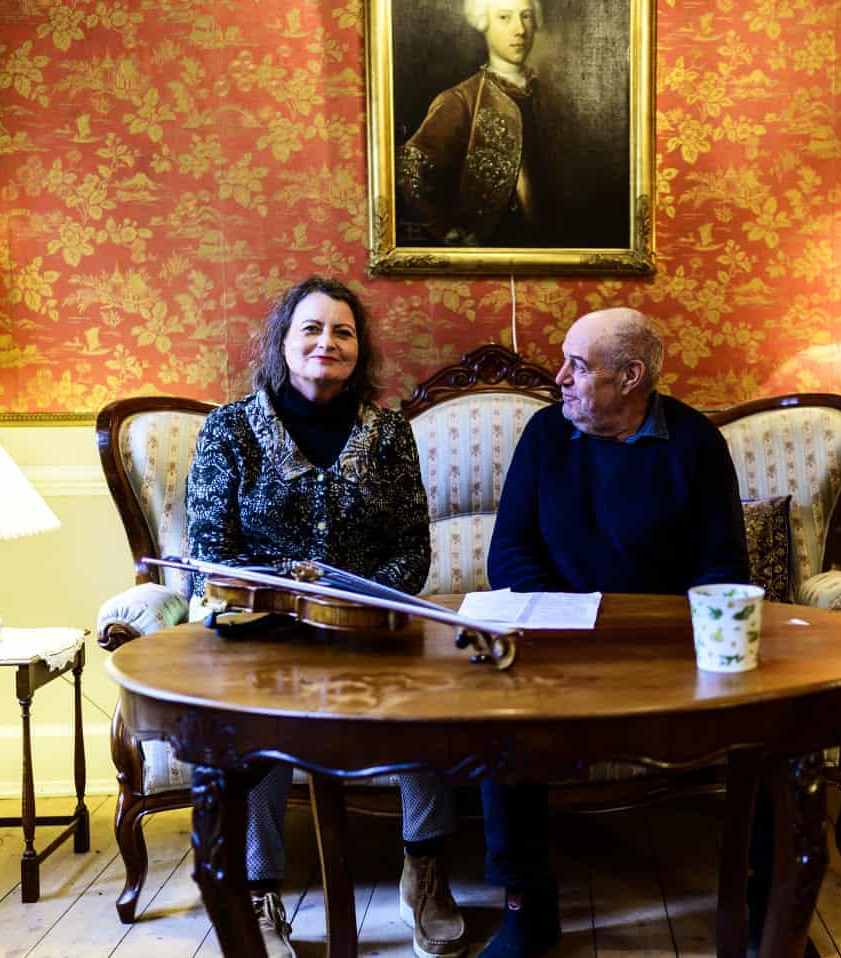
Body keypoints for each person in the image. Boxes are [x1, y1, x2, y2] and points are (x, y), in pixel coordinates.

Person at [185, 276, 465, 958]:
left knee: (431, 708)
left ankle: (424, 875)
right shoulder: (228, 429)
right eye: (310, 328)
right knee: (259, 725)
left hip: (366, 626)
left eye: (343, 331)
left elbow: (411, 547)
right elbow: (209, 550)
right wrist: (287, 602)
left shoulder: (390, 431)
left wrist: (357, 607)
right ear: (282, 343)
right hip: (261, 629)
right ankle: (258, 895)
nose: (326, 343)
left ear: (359, 350)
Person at [480, 307, 750, 957]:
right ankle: (525, 905)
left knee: (770, 720)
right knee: (497, 719)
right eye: (565, 360)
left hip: (664, 655)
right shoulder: (545, 434)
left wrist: (651, 633)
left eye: (578, 364)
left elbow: (723, 567)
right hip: (555, 646)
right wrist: (575, 619)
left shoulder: (694, 443)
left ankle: (760, 900)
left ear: (631, 377)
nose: (560, 377)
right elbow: (508, 554)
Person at [397, 0, 554, 246]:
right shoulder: (461, 100)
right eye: (504, 17)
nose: (520, 29)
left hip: (552, 251)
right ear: (484, 23)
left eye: (526, 16)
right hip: (491, 253)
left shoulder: (550, 97)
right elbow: (407, 168)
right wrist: (445, 230)